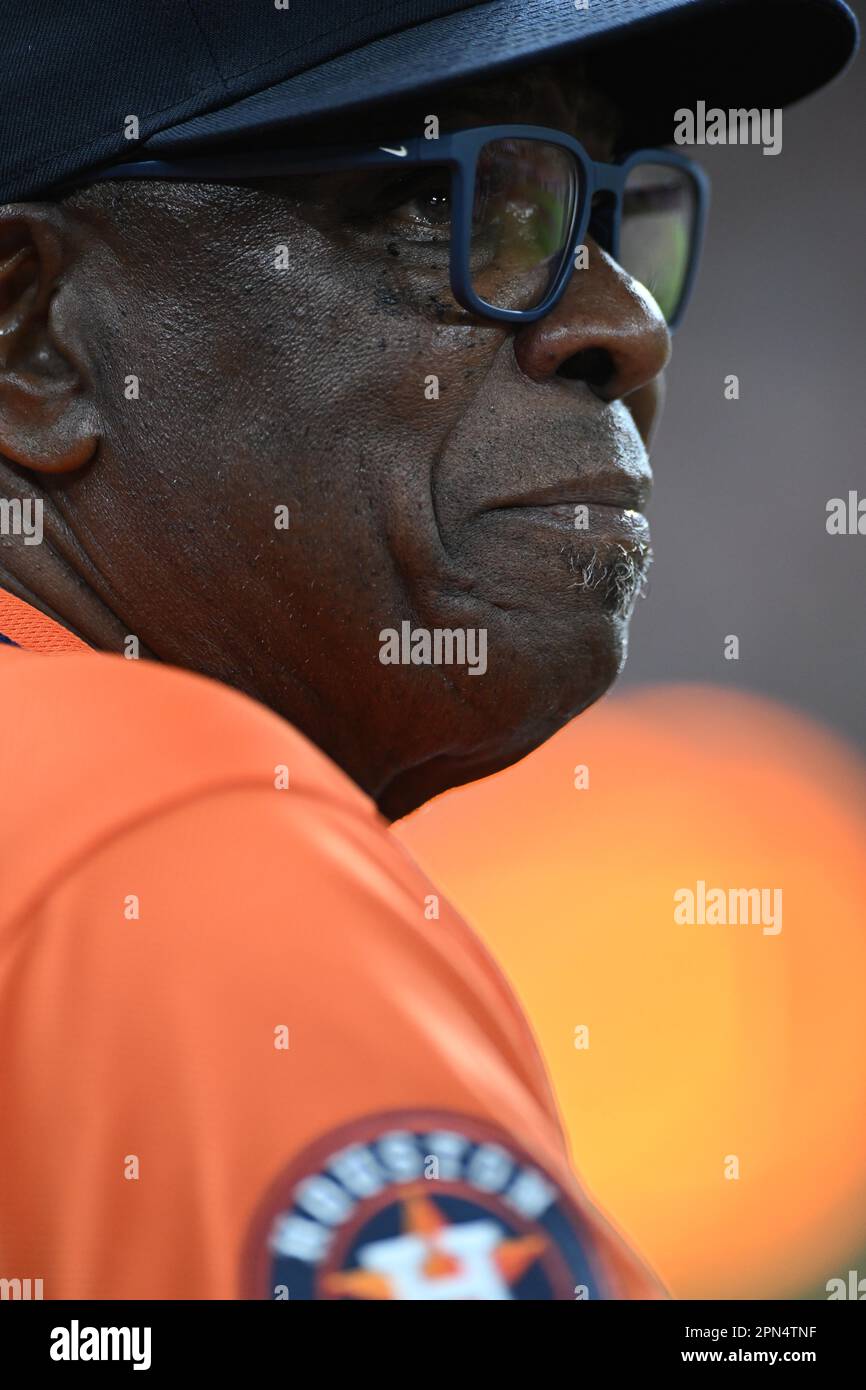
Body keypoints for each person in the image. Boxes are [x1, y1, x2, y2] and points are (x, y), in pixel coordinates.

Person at [0, 0, 857, 1300]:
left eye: (605, 218)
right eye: (451, 208)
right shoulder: (158, 838)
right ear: (33, 342)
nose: (624, 329)